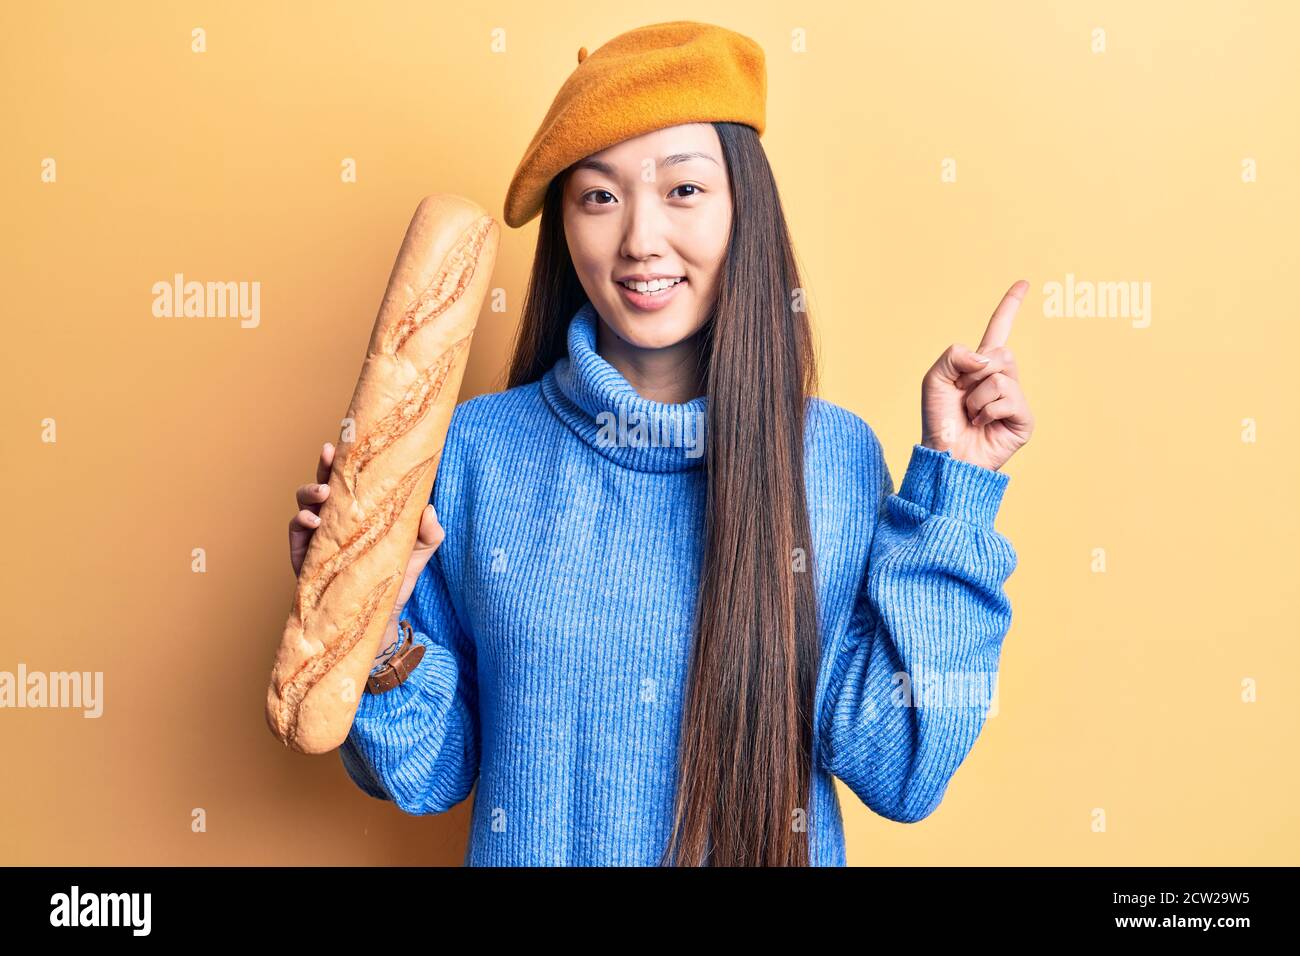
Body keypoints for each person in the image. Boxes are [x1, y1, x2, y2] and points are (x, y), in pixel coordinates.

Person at [287, 21, 1034, 866]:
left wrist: (956, 493)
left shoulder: (831, 460)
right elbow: (434, 773)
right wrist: (368, 627)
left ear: (744, 211)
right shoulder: (475, 450)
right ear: (564, 227)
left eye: (683, 190)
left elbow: (900, 767)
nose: (640, 239)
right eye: (599, 196)